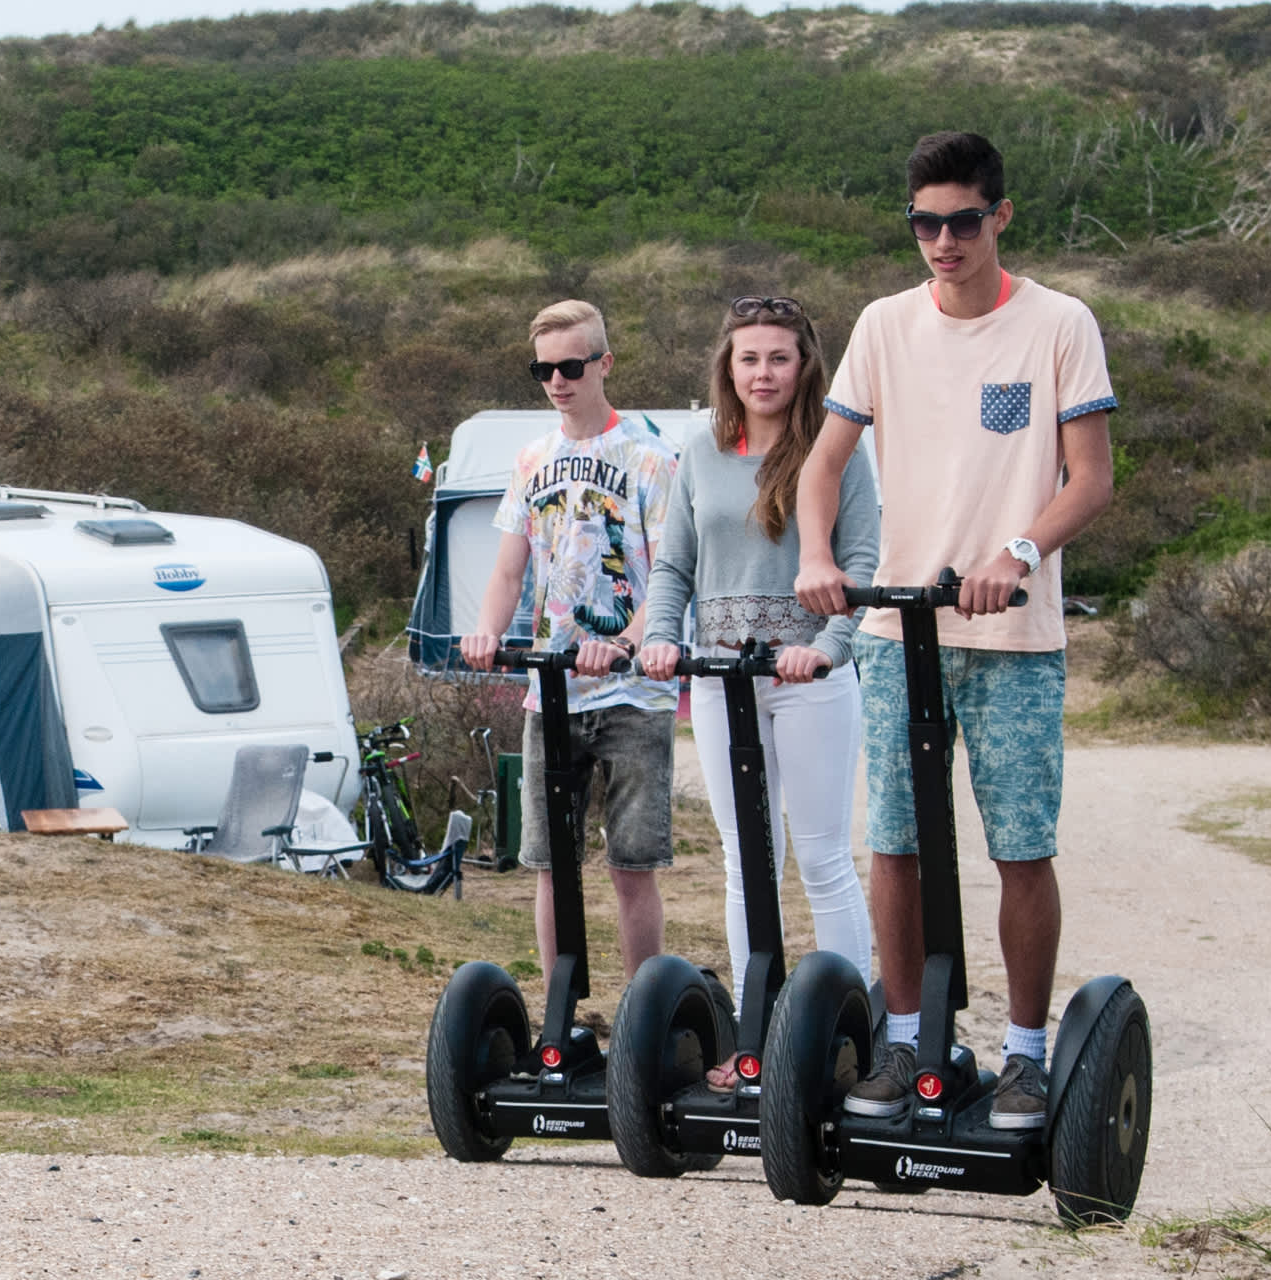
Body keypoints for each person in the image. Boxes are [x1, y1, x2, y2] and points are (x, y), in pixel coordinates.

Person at [794, 131, 1116, 1130]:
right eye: (925, 222)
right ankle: (905, 1040)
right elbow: (822, 464)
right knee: (891, 843)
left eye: (962, 221)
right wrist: (817, 556)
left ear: (1000, 217)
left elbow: (1091, 479)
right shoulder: (885, 325)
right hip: (899, 630)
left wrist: (1016, 552)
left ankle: (1025, 1055)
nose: (943, 240)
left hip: (1013, 636)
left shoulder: (1059, 323)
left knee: (1020, 844)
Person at [639, 295, 878, 1092]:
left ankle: (849, 1035)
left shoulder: (834, 452)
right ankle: (756, 1038)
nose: (763, 372)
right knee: (747, 863)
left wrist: (828, 649)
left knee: (819, 857)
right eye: (749, 358)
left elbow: (864, 562)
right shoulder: (700, 450)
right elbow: (673, 565)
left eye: (779, 357)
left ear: (805, 364)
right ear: (728, 367)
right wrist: (661, 636)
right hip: (720, 682)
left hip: (805, 680)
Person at [458, 299, 680, 989]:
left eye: (572, 366)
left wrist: (630, 644)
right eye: (543, 369)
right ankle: (563, 1008)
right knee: (552, 861)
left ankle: (646, 1012)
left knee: (631, 863)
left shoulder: (650, 458)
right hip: (550, 688)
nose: (558, 381)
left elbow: (672, 573)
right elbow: (508, 567)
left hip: (633, 689)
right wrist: (490, 630)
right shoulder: (530, 460)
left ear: (604, 364)